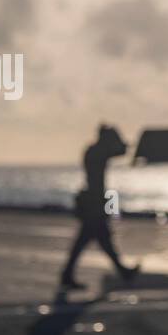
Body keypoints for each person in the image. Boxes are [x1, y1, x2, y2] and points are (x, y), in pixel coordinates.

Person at [60, 124, 140, 290]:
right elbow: (120, 151)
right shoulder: (97, 152)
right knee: (98, 239)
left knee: (96, 240)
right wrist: (119, 138)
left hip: (94, 199)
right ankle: (123, 271)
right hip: (94, 201)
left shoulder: (93, 151)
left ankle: (122, 270)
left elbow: (118, 151)